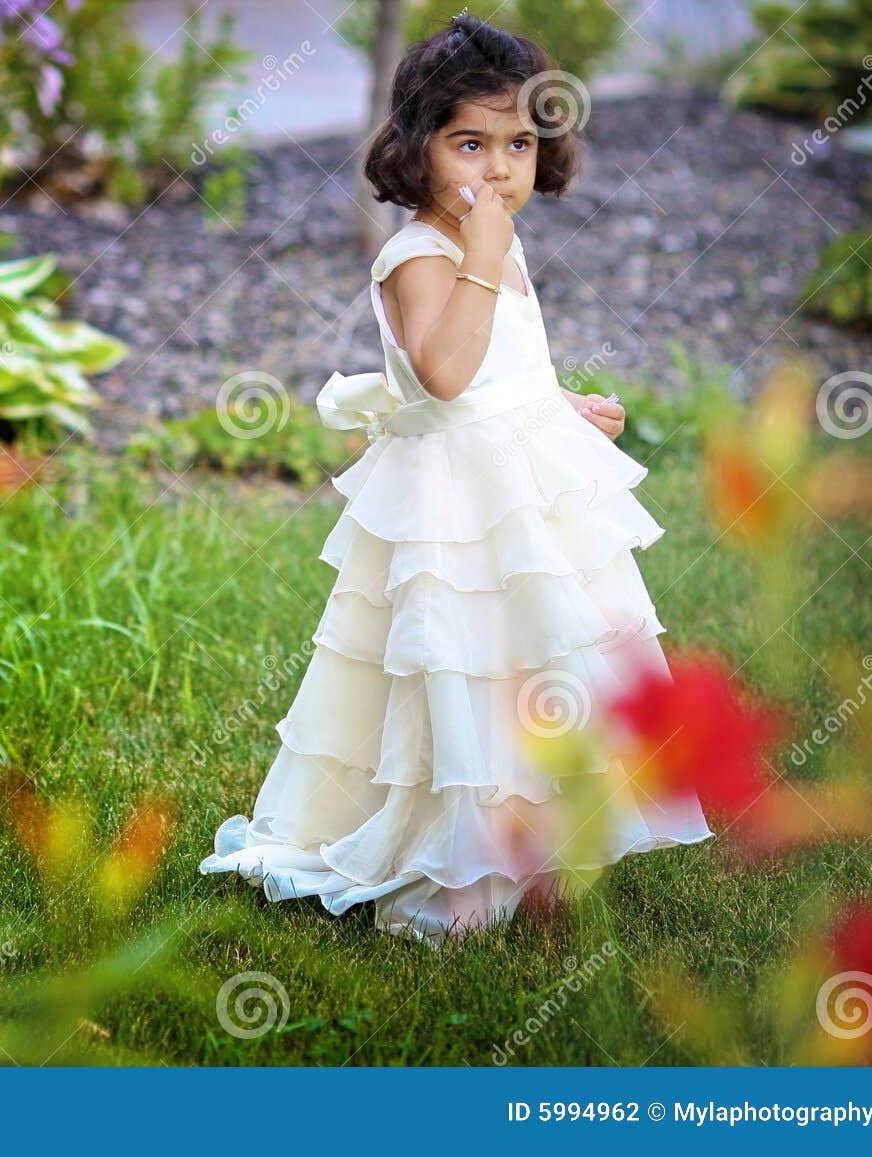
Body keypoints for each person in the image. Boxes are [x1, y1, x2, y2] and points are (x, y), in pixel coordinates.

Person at [197, 11, 713, 944]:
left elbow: (510, 367)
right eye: (468, 143)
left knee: (538, 660)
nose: (497, 168)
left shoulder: (499, 246)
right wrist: (478, 255)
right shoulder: (419, 256)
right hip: (454, 503)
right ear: (417, 147)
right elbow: (445, 372)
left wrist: (564, 406)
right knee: (459, 665)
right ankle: (451, 857)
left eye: (518, 143)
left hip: (525, 491)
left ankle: (545, 843)